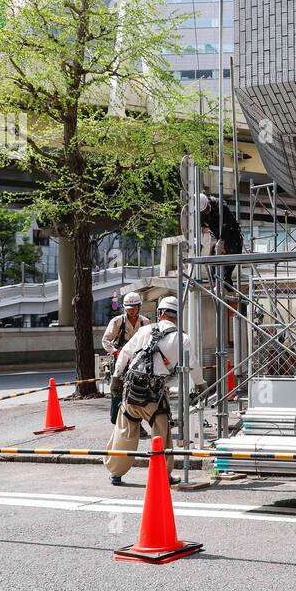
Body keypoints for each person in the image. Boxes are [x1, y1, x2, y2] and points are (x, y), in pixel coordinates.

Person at [104, 295, 192, 486]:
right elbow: (192, 366)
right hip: (155, 397)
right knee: (161, 435)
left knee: (124, 432)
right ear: (177, 316)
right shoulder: (183, 338)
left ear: (160, 313)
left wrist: (116, 378)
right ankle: (163, 474)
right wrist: (200, 385)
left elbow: (125, 353)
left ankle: (116, 473)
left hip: (132, 390)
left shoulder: (145, 329)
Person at [100, 291, 146, 423]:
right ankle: (116, 419)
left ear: (139, 307)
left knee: (138, 391)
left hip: (139, 362)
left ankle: (136, 422)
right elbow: (106, 340)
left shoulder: (145, 322)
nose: (132, 311)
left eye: (135, 308)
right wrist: (115, 352)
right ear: (125, 308)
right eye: (129, 309)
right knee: (118, 390)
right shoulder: (117, 321)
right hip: (120, 360)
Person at [197, 193, 243, 295]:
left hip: (231, 235)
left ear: (209, 202)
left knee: (227, 266)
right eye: (204, 212)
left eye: (207, 209)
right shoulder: (200, 212)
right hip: (216, 234)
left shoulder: (221, 206)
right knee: (212, 261)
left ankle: (228, 293)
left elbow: (227, 225)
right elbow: (202, 227)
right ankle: (217, 287)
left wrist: (222, 241)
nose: (207, 212)